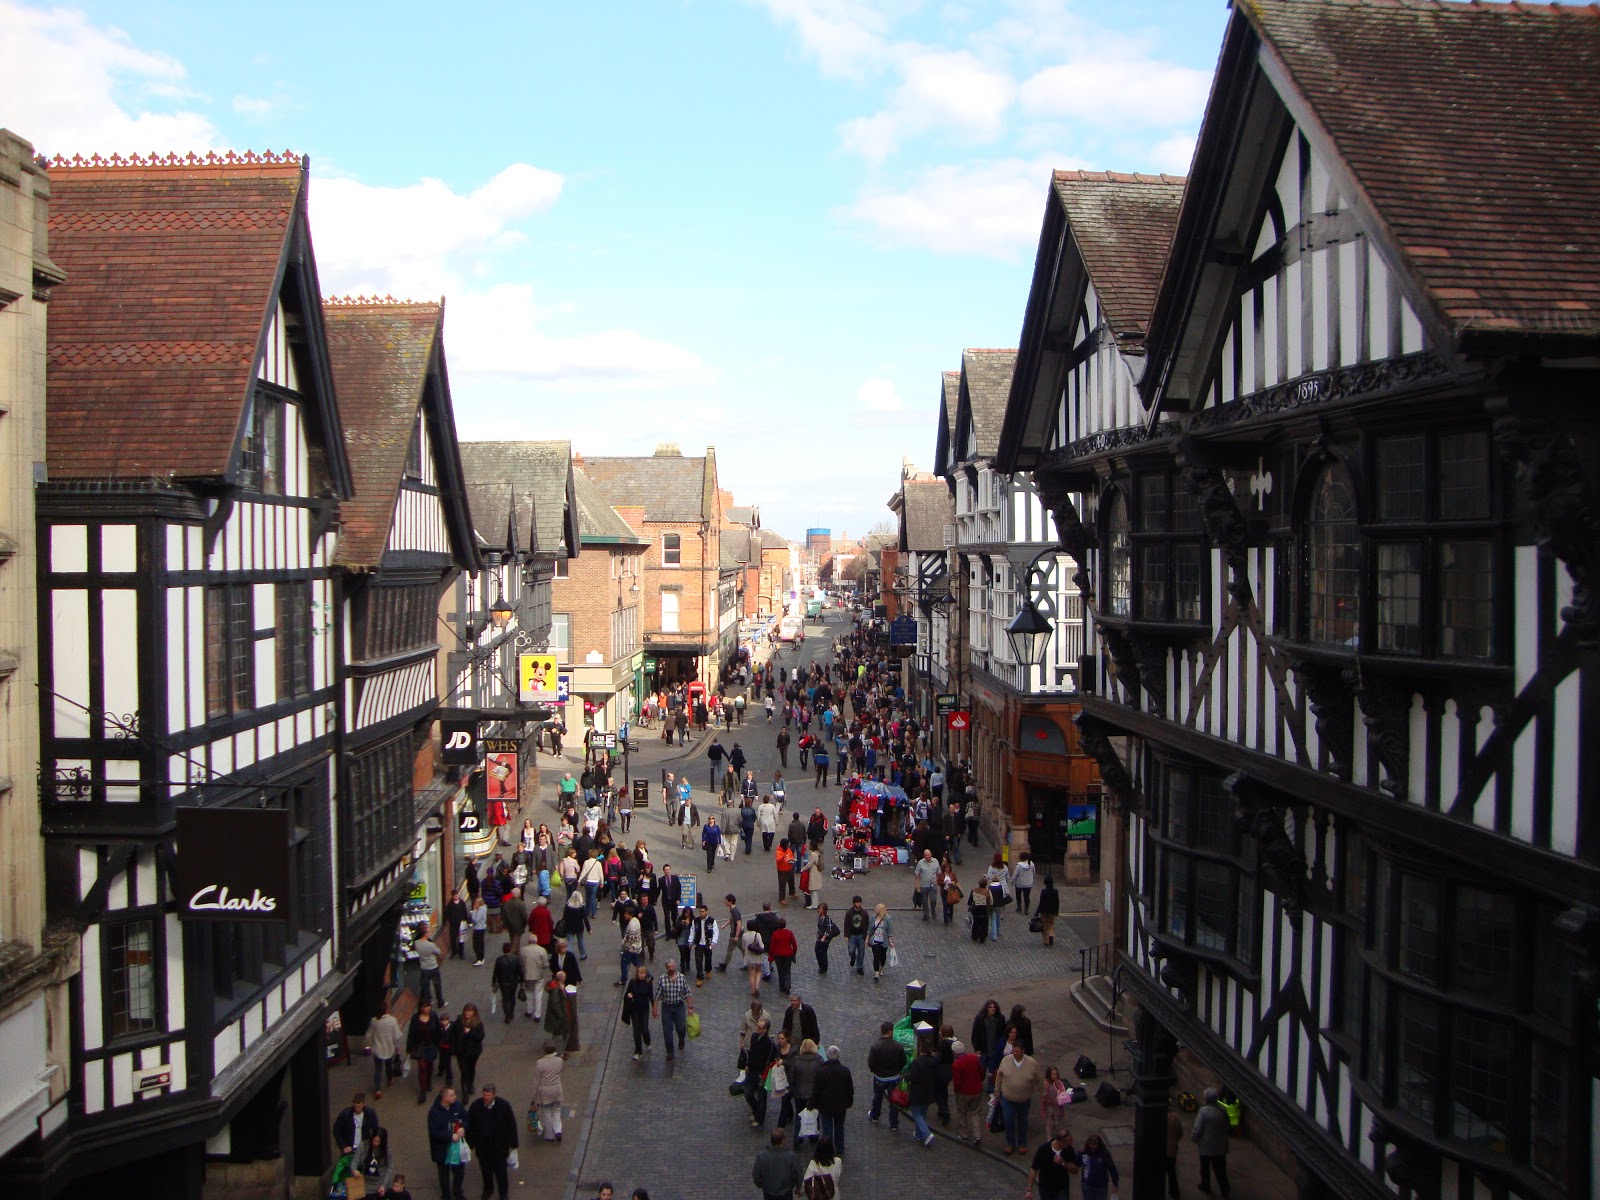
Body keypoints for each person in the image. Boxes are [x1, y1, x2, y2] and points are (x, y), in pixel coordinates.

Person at [465, 1083, 519, 1200]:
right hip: (483, 1147)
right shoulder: (476, 1106)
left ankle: (503, 1193)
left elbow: (511, 1125)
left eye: (488, 1095)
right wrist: (470, 1144)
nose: (486, 1097)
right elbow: (471, 1126)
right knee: (486, 1170)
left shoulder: (503, 1106)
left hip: (499, 1147)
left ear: (494, 1095)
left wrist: (513, 1145)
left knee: (501, 1171)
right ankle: (488, 1190)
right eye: (484, 1095)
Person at [995, 1039, 1046, 1155]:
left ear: (1023, 1051)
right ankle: (1010, 1143)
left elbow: (1039, 1080)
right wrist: (997, 1089)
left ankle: (1022, 1143)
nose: (1014, 1053)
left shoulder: (1032, 1063)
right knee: (1008, 1121)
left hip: (1024, 1100)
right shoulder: (1006, 1060)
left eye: (1017, 1051)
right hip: (1008, 1098)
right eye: (1013, 1051)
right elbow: (999, 1076)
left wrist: (1043, 1093)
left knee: (1023, 1121)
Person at [426, 1085, 469, 1200]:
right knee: (444, 1175)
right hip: (442, 1149)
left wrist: (463, 1128)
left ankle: (457, 1192)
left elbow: (466, 1118)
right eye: (452, 1095)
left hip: (456, 1146)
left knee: (459, 1171)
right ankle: (446, 1195)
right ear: (445, 1098)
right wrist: (450, 1137)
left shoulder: (458, 1106)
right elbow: (434, 1132)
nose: (455, 1097)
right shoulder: (434, 1113)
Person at [812, 1045, 854, 1154]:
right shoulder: (845, 1070)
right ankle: (839, 1148)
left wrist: (813, 1103)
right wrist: (849, 1102)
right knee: (839, 1127)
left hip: (825, 1105)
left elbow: (816, 1090)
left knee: (827, 1128)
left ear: (827, 1056)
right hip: (841, 1105)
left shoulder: (821, 1071)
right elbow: (850, 1089)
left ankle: (827, 1149)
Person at [865, 1021, 906, 1130]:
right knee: (894, 1100)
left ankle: (875, 1115)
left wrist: (875, 1071)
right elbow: (903, 1061)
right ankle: (893, 1123)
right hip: (894, 1078)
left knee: (877, 1097)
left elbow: (871, 1062)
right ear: (890, 1031)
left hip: (880, 1078)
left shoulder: (876, 1046)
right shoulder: (898, 1046)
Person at [1192, 1087, 1232, 1196]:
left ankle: (1205, 1185)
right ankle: (1225, 1189)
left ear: (1206, 1099)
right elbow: (1228, 1124)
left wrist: (1195, 1138)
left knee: (1205, 1168)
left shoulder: (1203, 1111)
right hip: (1220, 1146)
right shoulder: (1223, 1110)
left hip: (1206, 1146)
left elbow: (1198, 1128)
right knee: (1221, 1170)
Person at [651, 956, 693, 1057]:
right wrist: (655, 1009)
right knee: (667, 1031)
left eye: (672, 966)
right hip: (667, 1007)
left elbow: (687, 993)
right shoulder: (662, 979)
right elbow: (657, 996)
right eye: (668, 966)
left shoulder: (681, 978)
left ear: (675, 966)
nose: (670, 968)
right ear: (666, 968)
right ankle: (670, 1051)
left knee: (681, 1028)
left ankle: (681, 1038)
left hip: (679, 1006)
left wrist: (690, 1007)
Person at [950, 1039, 986, 1145]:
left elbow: (956, 1082)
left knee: (962, 1113)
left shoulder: (956, 1064)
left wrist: (956, 1091)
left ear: (955, 1053)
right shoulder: (974, 1058)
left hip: (963, 1093)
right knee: (975, 1113)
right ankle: (977, 1135)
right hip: (977, 1091)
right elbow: (981, 1071)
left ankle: (964, 1135)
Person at [406, 1000, 443, 1103]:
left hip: (431, 1045)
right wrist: (409, 1049)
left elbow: (438, 1030)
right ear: (420, 1008)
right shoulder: (415, 1018)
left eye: (429, 1006)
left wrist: (439, 1042)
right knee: (422, 1067)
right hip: (419, 1046)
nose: (427, 1009)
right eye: (425, 1007)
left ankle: (429, 1081)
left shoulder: (434, 1016)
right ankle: (423, 1091)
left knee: (430, 1065)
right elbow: (411, 1033)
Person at [1027, 1129, 1081, 1200]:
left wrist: (1063, 1163)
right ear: (1060, 1141)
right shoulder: (1044, 1149)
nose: (1070, 1144)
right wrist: (1029, 1190)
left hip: (1061, 1188)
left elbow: (1075, 1170)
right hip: (1046, 1188)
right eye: (1068, 1142)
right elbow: (1034, 1169)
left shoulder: (1069, 1150)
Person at [904, 1045, 940, 1147]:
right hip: (929, 1092)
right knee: (923, 1112)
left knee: (916, 1114)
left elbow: (913, 1077)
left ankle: (926, 1133)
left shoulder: (917, 1062)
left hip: (917, 1092)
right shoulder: (933, 1062)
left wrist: (906, 1077)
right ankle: (919, 1134)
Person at [751, 1128, 802, 1200]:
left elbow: (756, 1176)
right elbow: (798, 1174)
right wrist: (798, 1187)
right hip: (786, 1193)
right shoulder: (791, 1157)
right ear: (783, 1141)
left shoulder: (762, 1157)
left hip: (769, 1193)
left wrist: (763, 1185)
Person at [745, 1017, 778, 1128]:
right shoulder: (754, 1037)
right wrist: (747, 1065)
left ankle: (760, 1118)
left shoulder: (769, 1043)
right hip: (751, 1070)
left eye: (759, 1027)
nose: (757, 1029)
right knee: (748, 1093)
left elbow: (772, 1059)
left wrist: (765, 1073)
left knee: (761, 1097)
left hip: (761, 1073)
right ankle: (756, 1109)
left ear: (765, 1029)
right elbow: (751, 1052)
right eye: (757, 1026)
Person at [365, 1004, 402, 1098]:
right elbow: (397, 1036)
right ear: (386, 1010)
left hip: (377, 1049)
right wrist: (397, 1047)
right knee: (389, 1065)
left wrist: (371, 1044)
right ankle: (389, 1080)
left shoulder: (374, 1021)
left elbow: (368, 1036)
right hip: (389, 1048)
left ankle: (377, 1089)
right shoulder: (392, 1021)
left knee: (378, 1069)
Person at [450, 1004, 486, 1098]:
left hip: (473, 1051)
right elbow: (452, 1033)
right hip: (462, 1051)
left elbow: (480, 1036)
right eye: (466, 1011)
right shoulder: (459, 1021)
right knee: (464, 1070)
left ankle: (470, 1084)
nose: (467, 1013)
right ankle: (465, 1091)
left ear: (474, 1012)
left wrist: (470, 1032)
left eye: (470, 1011)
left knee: (471, 1068)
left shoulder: (478, 1023)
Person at [532, 1043, 565, 1142]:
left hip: (544, 1092)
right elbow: (561, 1070)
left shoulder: (540, 1063)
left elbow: (536, 1080)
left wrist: (534, 1097)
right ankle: (558, 1131)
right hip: (556, 1089)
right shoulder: (559, 1061)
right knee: (556, 1110)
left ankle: (549, 1136)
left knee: (546, 1113)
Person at [519, 927, 553, 1020]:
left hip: (527, 975)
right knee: (538, 994)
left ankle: (529, 1011)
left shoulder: (523, 950)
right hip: (538, 975)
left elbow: (521, 962)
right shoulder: (541, 950)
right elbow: (545, 964)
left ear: (529, 941)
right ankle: (537, 1015)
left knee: (529, 992)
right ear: (537, 941)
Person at [332, 1092, 379, 1158]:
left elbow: (375, 1129)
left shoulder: (370, 1114)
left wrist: (372, 1144)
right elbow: (337, 1130)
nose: (357, 1109)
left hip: (364, 1147)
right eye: (356, 1106)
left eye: (359, 1107)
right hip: (349, 1148)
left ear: (363, 1104)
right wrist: (343, 1146)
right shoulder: (345, 1114)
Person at [1077, 1132, 1121, 1200]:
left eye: (1094, 1146)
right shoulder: (1084, 1151)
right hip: (1087, 1185)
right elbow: (1077, 1163)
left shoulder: (1104, 1153)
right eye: (1091, 1145)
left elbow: (1112, 1168)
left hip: (1101, 1187)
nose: (1092, 1148)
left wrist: (1115, 1184)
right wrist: (1079, 1153)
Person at [624, 963, 655, 1059]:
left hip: (644, 1009)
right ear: (637, 974)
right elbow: (627, 993)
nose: (642, 975)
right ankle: (638, 1051)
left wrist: (654, 1007)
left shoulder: (648, 983)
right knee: (636, 1030)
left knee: (644, 1029)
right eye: (640, 973)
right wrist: (629, 996)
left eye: (643, 973)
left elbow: (651, 996)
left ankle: (647, 1041)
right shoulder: (632, 982)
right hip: (635, 1009)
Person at [801, 1134, 842, 1200]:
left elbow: (806, 1181)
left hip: (819, 1196)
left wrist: (800, 1192)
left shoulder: (813, 1163)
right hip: (834, 1195)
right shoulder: (838, 1161)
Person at [490, 941, 522, 1023]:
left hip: (503, 983)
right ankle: (511, 1012)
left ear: (503, 950)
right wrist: (522, 980)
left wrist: (493, 982)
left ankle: (507, 1016)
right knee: (512, 997)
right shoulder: (516, 959)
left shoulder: (499, 960)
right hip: (514, 982)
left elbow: (495, 972)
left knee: (505, 999)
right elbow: (520, 971)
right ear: (510, 950)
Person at [413, 926, 445, 1006]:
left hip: (424, 967)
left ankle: (427, 1002)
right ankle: (440, 1002)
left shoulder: (416, 943)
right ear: (425, 934)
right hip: (433, 966)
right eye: (428, 931)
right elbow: (438, 952)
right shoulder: (430, 945)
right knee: (437, 985)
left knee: (425, 986)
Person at [689, 901, 718, 983]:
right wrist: (690, 941)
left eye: (703, 911)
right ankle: (699, 977)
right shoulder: (696, 921)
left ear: (706, 911)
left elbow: (716, 932)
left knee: (708, 958)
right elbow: (692, 931)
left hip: (708, 943)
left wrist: (713, 942)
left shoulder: (712, 921)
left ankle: (708, 970)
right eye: (700, 912)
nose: (701, 913)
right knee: (698, 960)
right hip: (698, 943)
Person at [1040, 1065, 1070, 1141]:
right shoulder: (1046, 1083)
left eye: (1056, 1074)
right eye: (1053, 1074)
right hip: (1049, 1105)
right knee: (1049, 1121)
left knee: (1056, 1121)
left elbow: (1062, 1090)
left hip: (1057, 1105)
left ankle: (1052, 1129)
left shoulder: (1059, 1082)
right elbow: (1044, 1094)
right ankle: (1049, 1137)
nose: (1054, 1076)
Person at [769, 918, 798, 993]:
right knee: (787, 970)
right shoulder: (789, 933)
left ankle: (782, 987)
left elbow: (772, 946)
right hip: (788, 954)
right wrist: (793, 953)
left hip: (778, 955)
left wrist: (771, 956)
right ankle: (787, 985)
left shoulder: (775, 934)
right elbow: (794, 944)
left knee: (780, 971)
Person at [618, 904, 645, 987]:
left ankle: (623, 979)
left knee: (623, 963)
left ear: (630, 914)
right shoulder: (636, 920)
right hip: (636, 948)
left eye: (625, 914)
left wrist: (626, 946)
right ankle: (648, 974)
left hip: (632, 948)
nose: (624, 915)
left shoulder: (632, 924)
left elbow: (631, 938)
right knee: (636, 962)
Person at [866, 903, 894, 982]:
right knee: (876, 956)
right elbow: (870, 929)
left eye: (876, 908)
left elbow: (890, 931)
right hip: (875, 940)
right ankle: (876, 973)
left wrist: (890, 941)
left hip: (883, 941)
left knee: (882, 957)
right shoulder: (873, 917)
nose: (875, 910)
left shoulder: (887, 919)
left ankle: (881, 967)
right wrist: (867, 939)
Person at [842, 897, 868, 976]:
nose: (858, 904)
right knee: (851, 950)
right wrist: (846, 935)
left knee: (861, 952)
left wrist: (866, 935)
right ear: (854, 903)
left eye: (859, 902)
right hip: (852, 935)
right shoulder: (849, 913)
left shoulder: (864, 912)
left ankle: (859, 967)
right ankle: (853, 958)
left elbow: (867, 924)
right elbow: (846, 924)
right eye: (857, 902)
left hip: (861, 935)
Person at [719, 893, 744, 973]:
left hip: (735, 934)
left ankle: (724, 965)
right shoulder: (733, 910)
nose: (725, 903)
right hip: (738, 934)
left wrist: (736, 936)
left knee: (730, 949)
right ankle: (748, 963)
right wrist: (724, 925)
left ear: (730, 902)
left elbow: (739, 923)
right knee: (742, 948)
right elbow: (731, 920)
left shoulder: (734, 911)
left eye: (726, 901)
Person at [1165, 1101, 1185, 1199]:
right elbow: (1180, 1133)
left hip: (1159, 1151)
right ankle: (1174, 1192)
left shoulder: (1156, 1117)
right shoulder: (1175, 1118)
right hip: (1171, 1150)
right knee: (1172, 1172)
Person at [913, 849, 940, 920]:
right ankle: (926, 915)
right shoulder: (920, 863)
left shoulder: (936, 861)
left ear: (931, 854)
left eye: (928, 855)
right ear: (924, 856)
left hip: (932, 885)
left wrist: (936, 881)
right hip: (923, 885)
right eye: (926, 855)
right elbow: (917, 875)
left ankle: (933, 912)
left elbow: (938, 873)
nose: (927, 856)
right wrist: (917, 886)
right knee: (924, 902)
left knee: (933, 900)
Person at [814, 904, 840, 975]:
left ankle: (824, 967)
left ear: (824, 910)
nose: (819, 910)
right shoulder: (819, 918)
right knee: (817, 950)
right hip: (820, 937)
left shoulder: (827, 918)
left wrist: (824, 937)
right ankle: (821, 966)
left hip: (826, 938)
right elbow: (819, 928)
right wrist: (818, 936)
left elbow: (829, 929)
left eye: (820, 909)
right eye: (818, 909)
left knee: (823, 952)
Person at [501, 886, 529, 952]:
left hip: (509, 925)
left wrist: (505, 925)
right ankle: (514, 954)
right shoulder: (521, 904)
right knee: (516, 941)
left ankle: (513, 951)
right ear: (519, 894)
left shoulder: (507, 903)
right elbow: (524, 916)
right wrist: (525, 924)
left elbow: (503, 915)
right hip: (518, 926)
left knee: (512, 938)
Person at [1036, 875, 1061, 946]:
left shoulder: (1043, 891)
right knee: (1051, 925)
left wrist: (1037, 912)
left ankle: (1046, 941)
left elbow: (1041, 902)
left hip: (1044, 911)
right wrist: (1056, 911)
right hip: (1052, 911)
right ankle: (1051, 935)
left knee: (1044, 926)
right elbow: (1057, 902)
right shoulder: (1055, 891)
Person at [775, 839, 797, 904]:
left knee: (791, 882)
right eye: (787, 844)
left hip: (789, 868)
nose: (788, 845)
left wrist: (792, 860)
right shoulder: (779, 852)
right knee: (782, 884)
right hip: (782, 870)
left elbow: (791, 855)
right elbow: (778, 860)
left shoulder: (788, 849)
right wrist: (783, 856)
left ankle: (792, 892)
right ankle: (781, 898)